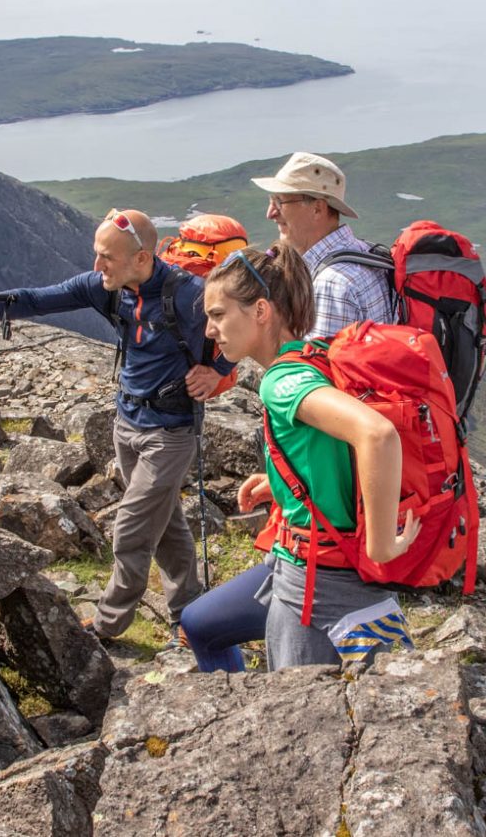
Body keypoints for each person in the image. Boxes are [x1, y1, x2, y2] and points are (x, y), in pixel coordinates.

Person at [0, 209, 234, 646]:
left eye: (106, 258)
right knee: (166, 524)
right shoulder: (106, 287)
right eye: (97, 256)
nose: (97, 268)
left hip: (171, 433)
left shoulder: (190, 295)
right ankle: (189, 616)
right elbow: (38, 299)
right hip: (127, 422)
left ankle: (107, 626)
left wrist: (218, 371)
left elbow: (235, 329)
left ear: (142, 258)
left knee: (133, 528)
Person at [179, 244, 419, 671]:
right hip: (319, 565)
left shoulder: (281, 381)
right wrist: (283, 483)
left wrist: (381, 545)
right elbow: (336, 449)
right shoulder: (315, 358)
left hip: (318, 580)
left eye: (218, 315)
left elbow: (376, 434)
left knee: (298, 720)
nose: (210, 330)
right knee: (200, 622)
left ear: (260, 311)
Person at [250, 152, 393, 338]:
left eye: (279, 201)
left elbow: (320, 365)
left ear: (317, 209)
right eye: (271, 201)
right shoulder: (364, 251)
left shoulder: (331, 283)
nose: (270, 213)